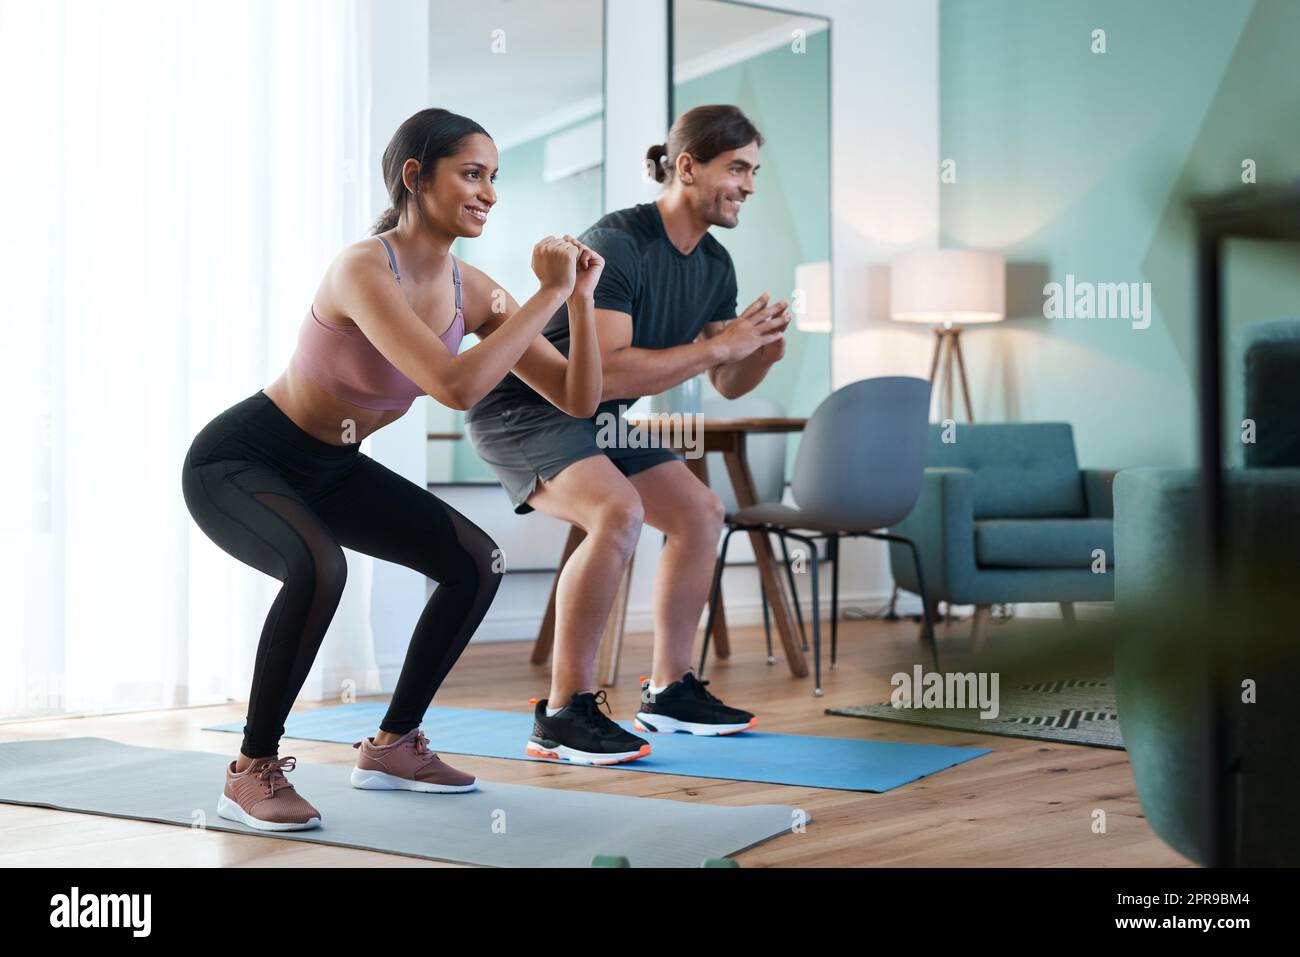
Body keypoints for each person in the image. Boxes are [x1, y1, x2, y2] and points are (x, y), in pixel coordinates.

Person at [180, 108, 605, 830]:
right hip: (244, 458)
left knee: (476, 562)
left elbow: (578, 396)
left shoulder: (474, 290)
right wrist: (547, 294)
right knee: (320, 567)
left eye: (494, 177)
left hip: (334, 466)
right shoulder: (363, 268)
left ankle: (393, 746)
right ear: (415, 176)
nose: (489, 193)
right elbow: (455, 385)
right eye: (472, 174)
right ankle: (251, 769)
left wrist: (580, 301)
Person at [464, 104, 791, 765]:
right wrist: (721, 347)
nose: (749, 185)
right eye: (738, 169)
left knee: (701, 512)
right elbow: (608, 370)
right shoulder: (620, 243)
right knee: (618, 511)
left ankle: (670, 690)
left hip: (598, 417)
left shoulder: (715, 265)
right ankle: (563, 713)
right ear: (688, 167)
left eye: (754, 171)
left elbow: (726, 382)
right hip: (524, 408)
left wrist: (759, 352)